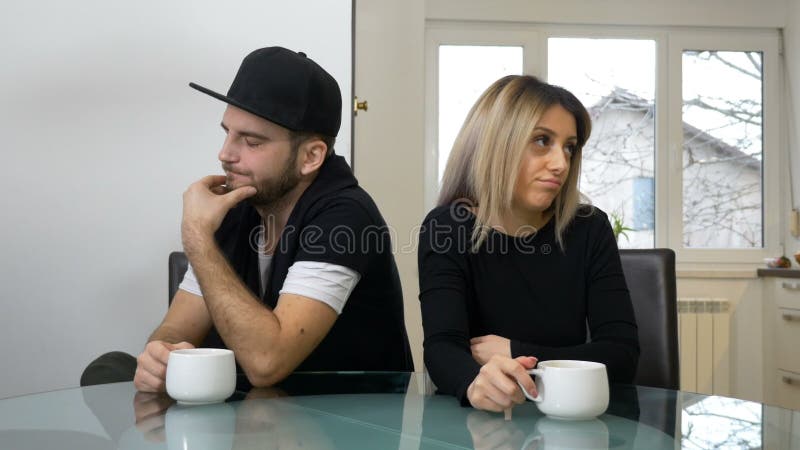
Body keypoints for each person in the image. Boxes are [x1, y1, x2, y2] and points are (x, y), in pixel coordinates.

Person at [83, 46, 413, 391]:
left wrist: (197, 236)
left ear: (311, 156)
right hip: (257, 423)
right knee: (107, 370)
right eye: (227, 132)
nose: (225, 154)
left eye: (251, 142)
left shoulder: (346, 217)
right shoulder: (239, 205)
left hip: (348, 427)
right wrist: (160, 354)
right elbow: (176, 330)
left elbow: (267, 363)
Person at [418, 75, 639, 412]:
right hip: (481, 424)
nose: (561, 163)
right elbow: (442, 348)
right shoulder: (447, 227)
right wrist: (475, 384)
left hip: (569, 420)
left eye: (569, 146)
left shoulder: (590, 228)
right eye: (541, 140)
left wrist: (515, 350)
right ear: (497, 144)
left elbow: (622, 354)